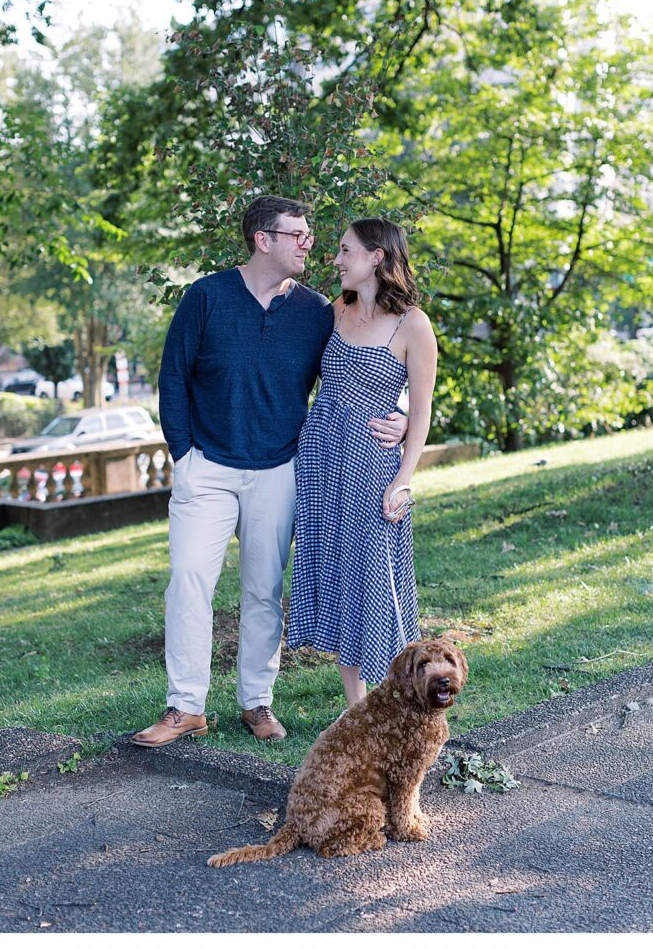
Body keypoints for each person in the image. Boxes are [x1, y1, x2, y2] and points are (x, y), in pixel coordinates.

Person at [134, 196, 407, 748]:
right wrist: (184, 455)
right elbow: (173, 377)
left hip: (281, 468)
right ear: (264, 240)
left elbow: (363, 368)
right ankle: (185, 706)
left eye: (312, 236)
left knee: (264, 591)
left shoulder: (318, 311)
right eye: (298, 235)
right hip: (207, 468)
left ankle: (257, 702)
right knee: (188, 580)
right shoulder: (206, 297)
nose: (310, 245)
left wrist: (401, 418)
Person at [287, 219, 438, 709]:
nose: (336, 259)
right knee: (339, 574)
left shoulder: (412, 324)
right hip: (320, 461)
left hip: (372, 467)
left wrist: (404, 478)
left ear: (376, 256)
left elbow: (423, 411)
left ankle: (405, 700)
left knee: (375, 577)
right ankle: (357, 708)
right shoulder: (335, 311)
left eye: (345, 250)